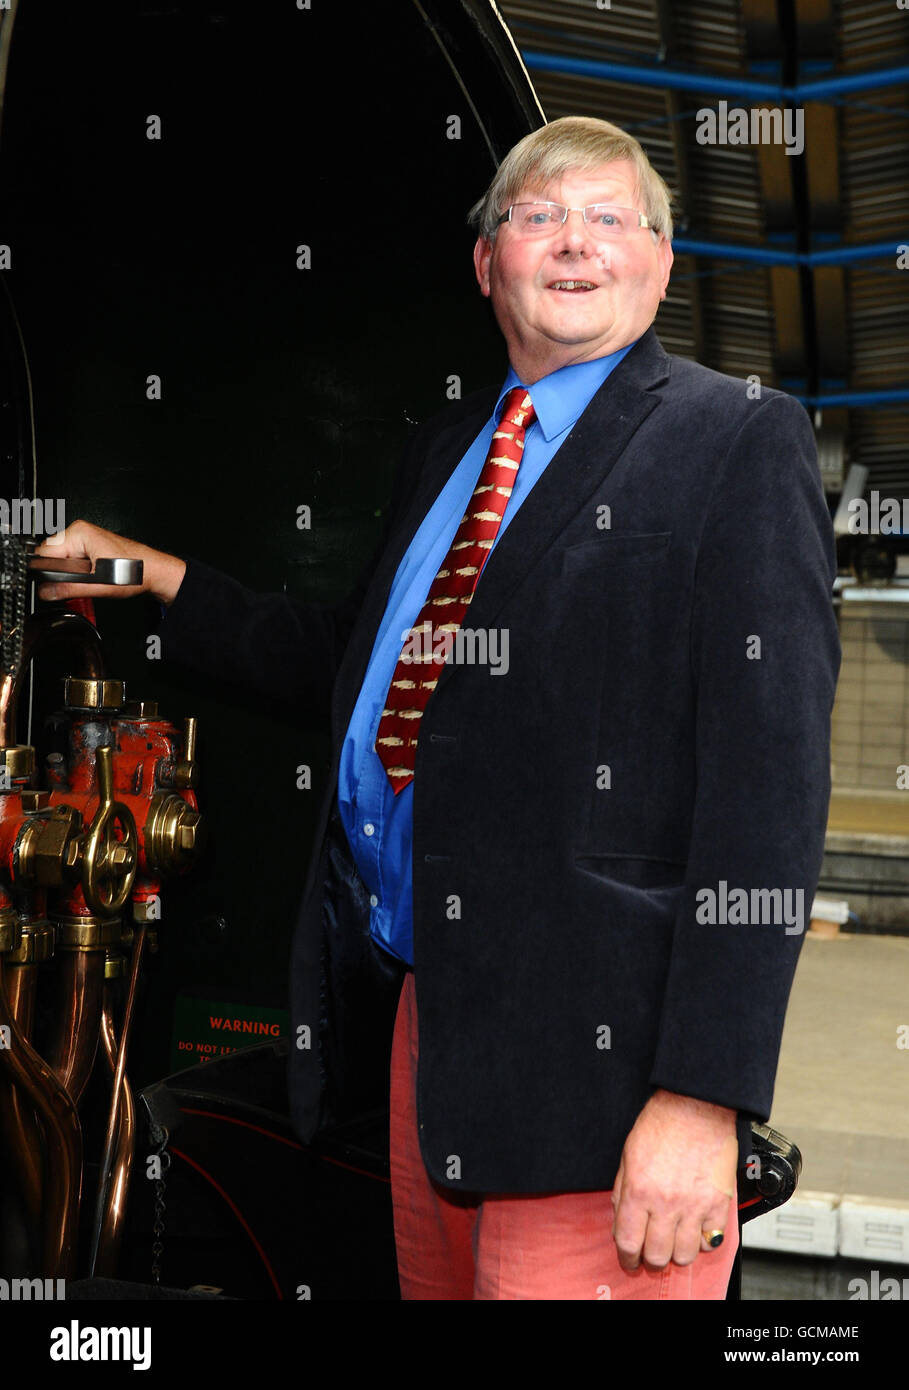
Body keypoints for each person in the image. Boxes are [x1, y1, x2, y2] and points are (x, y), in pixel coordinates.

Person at [36, 116, 840, 1301]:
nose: (575, 245)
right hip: (427, 1038)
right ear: (486, 261)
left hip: (604, 1080)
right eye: (539, 216)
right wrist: (139, 574)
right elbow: (345, 666)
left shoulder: (735, 440)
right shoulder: (445, 454)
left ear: (663, 265)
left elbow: (768, 797)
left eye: (612, 218)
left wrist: (702, 1098)